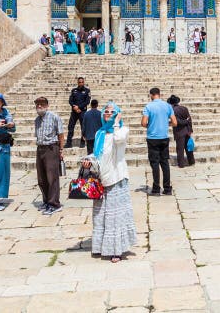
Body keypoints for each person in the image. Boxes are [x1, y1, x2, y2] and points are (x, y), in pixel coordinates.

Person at [82, 102, 136, 262]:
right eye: (106, 111)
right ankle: (100, 247)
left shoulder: (122, 130)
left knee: (115, 216)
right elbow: (98, 154)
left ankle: (116, 250)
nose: (108, 113)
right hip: (101, 178)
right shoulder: (100, 133)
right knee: (99, 215)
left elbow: (119, 140)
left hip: (116, 177)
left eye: (112, 111)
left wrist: (117, 122)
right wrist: (88, 160)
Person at [33, 96, 65, 216]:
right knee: (41, 178)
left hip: (52, 148)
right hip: (40, 149)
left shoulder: (54, 117)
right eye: (37, 104)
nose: (39, 106)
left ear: (46, 105)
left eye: (41, 104)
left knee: (52, 177)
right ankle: (46, 201)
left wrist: (61, 150)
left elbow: (61, 134)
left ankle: (54, 204)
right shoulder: (37, 120)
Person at [142, 87, 177, 195]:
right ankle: (167, 188)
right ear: (159, 94)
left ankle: (156, 188)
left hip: (153, 138)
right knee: (164, 162)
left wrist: (150, 125)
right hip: (164, 137)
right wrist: (167, 124)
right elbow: (175, 123)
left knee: (155, 163)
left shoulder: (149, 106)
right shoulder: (167, 106)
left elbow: (143, 123)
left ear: (151, 95)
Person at [168, 95, 195, 168]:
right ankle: (191, 161)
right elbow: (189, 120)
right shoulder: (184, 108)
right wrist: (190, 130)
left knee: (180, 149)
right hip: (187, 131)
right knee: (188, 148)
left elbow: (177, 122)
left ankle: (181, 164)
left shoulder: (173, 111)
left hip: (179, 132)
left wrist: (184, 122)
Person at [67, 77, 91, 148]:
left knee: (83, 128)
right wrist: (74, 107)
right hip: (74, 112)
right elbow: (70, 100)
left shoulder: (87, 91)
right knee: (70, 127)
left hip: (82, 112)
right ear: (77, 82)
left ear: (84, 82)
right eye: (79, 82)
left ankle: (82, 142)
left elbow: (87, 101)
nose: (80, 83)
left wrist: (79, 107)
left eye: (82, 82)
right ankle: (68, 143)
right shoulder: (74, 90)